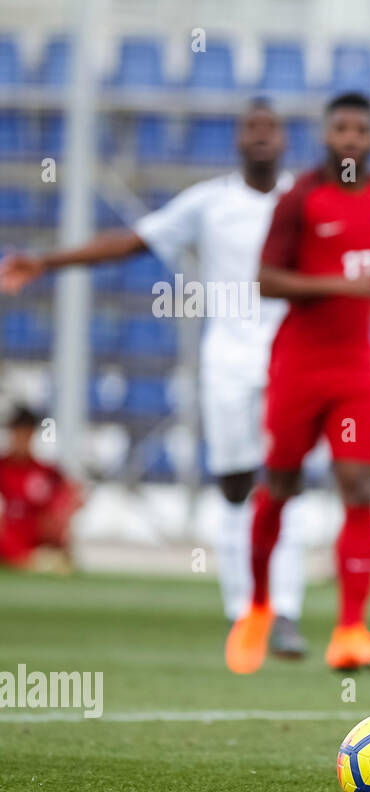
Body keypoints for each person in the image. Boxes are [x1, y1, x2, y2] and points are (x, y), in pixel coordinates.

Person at [0, 100, 310, 655]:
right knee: (237, 487)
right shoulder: (210, 201)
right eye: (251, 127)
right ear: (238, 139)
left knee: (283, 486)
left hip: (293, 358)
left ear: (284, 140)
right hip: (228, 363)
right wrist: (46, 263)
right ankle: (245, 611)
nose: (261, 137)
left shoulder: (304, 199)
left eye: (271, 128)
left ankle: (284, 610)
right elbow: (132, 241)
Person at [225, 91, 370, 675]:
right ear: (326, 136)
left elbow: (369, 277)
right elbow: (266, 280)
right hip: (299, 365)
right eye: (341, 129)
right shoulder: (301, 197)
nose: (351, 139)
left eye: (360, 129)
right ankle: (256, 608)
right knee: (279, 485)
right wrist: (340, 285)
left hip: (355, 368)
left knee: (357, 484)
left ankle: (351, 630)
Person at [0, 407, 81, 568]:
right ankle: (31, 561)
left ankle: (33, 560)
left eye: (26, 434)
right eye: (18, 433)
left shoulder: (45, 471)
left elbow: (74, 493)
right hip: (8, 537)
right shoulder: (3, 467)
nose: (21, 439)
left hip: (37, 537)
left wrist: (60, 514)